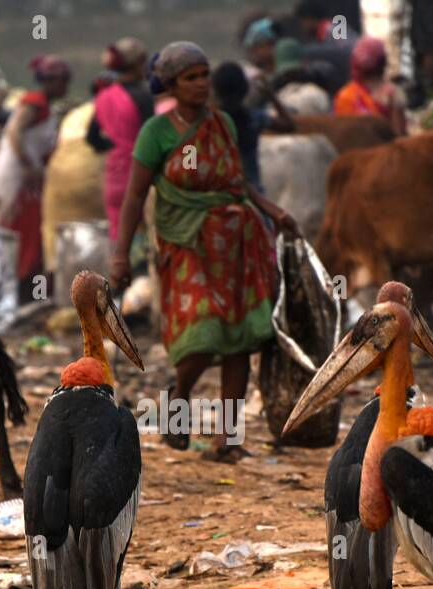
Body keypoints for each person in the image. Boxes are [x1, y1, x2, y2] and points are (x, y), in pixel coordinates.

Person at [110, 42, 299, 462]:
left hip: (238, 242)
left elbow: (239, 182)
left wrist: (274, 211)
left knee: (240, 342)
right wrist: (122, 255)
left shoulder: (223, 124)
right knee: (201, 333)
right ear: (171, 85)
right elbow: (134, 195)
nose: (200, 84)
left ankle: (227, 440)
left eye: (203, 75)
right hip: (186, 243)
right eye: (190, 78)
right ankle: (177, 401)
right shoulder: (156, 133)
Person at [0, 55, 71, 289]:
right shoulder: (34, 103)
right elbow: (15, 132)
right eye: (63, 81)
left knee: (27, 227)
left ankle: (19, 282)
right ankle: (11, 282)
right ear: (51, 81)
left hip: (28, 173)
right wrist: (26, 165)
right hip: (17, 174)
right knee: (15, 227)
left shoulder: (45, 108)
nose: (65, 86)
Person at [88, 38, 154, 241]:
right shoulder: (143, 95)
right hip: (138, 178)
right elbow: (152, 138)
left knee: (120, 240)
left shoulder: (103, 96)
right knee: (143, 240)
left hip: (113, 179)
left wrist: (114, 145)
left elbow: (92, 139)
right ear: (138, 63)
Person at [212, 61, 294, 191]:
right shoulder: (254, 118)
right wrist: (271, 95)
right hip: (252, 194)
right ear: (244, 89)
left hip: (219, 194)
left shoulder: (210, 121)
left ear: (216, 91)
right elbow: (289, 125)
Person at [333, 36, 406, 135]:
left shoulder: (344, 95)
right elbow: (399, 135)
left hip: (351, 149)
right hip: (384, 149)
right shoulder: (393, 93)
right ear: (383, 62)